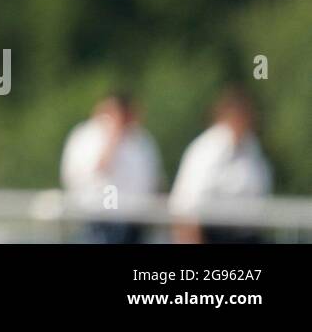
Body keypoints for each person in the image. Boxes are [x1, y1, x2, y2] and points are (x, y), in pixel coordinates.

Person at [169, 88, 272, 244]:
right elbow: (186, 205)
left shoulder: (252, 148)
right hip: (211, 234)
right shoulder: (207, 149)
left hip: (246, 235)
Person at [59, 93, 161, 242]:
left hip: (135, 220)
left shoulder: (141, 139)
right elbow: (98, 169)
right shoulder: (87, 136)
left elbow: (152, 180)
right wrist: (114, 136)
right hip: (96, 219)